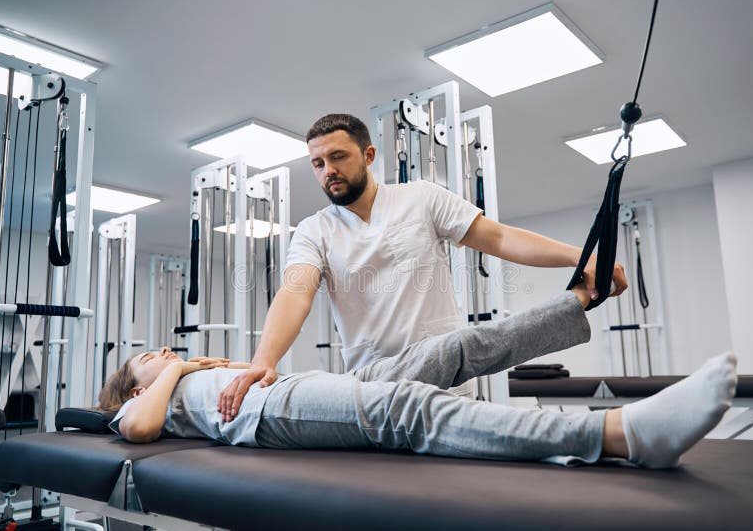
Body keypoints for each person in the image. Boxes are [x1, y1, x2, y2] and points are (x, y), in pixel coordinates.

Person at [217, 114, 628, 417]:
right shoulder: (314, 230)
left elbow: (499, 238)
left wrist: (586, 257)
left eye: (338, 157)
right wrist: (263, 362)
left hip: (448, 382)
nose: (329, 171)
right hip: (373, 389)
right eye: (318, 163)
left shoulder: (421, 197)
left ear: (369, 155)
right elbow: (295, 291)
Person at [101, 285, 736, 469]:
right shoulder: (148, 401)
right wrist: (178, 366)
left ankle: (577, 304)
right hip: (274, 414)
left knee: (453, 347)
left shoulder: (186, 379)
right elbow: (140, 429)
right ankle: (620, 435)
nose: (164, 350)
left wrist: (202, 364)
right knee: (413, 407)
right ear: (135, 385)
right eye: (148, 356)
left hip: (304, 388)